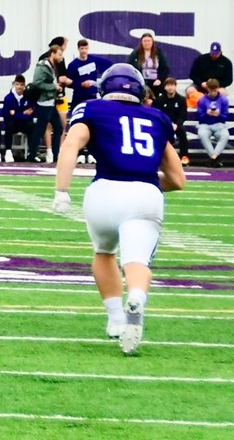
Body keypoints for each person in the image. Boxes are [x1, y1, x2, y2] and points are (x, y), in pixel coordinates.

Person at [51, 62, 184, 355]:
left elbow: (71, 144)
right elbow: (177, 179)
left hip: (104, 193)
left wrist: (62, 190)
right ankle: (136, 296)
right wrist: (144, 182)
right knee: (136, 262)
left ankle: (114, 318)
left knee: (104, 252)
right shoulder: (158, 118)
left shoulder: (92, 109)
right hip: (145, 194)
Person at [28, 39, 67, 163]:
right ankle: (32, 154)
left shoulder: (52, 66)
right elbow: (37, 83)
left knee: (58, 128)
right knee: (40, 129)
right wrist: (53, 87)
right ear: (53, 53)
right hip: (44, 103)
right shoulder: (42, 65)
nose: (61, 57)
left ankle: (56, 155)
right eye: (59, 54)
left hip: (51, 102)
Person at [151, 75, 190, 163]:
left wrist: (177, 124)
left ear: (175, 86)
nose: (170, 87)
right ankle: (156, 156)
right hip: (164, 125)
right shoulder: (160, 100)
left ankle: (184, 156)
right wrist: (167, 124)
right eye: (168, 85)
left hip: (176, 125)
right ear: (165, 87)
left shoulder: (181, 99)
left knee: (182, 132)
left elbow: (183, 116)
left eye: (172, 85)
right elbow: (158, 115)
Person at [193, 79, 232, 164]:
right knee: (202, 134)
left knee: (225, 135)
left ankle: (213, 156)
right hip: (205, 125)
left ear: (218, 88)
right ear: (207, 89)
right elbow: (199, 118)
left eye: (215, 90)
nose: (213, 93)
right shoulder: (202, 100)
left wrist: (219, 115)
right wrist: (207, 113)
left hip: (219, 125)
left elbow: (225, 117)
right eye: (211, 90)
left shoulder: (224, 100)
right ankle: (215, 158)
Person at [3, 74, 38, 162]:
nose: (19, 87)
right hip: (13, 124)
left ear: (24, 85)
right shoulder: (8, 98)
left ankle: (32, 153)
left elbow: (31, 114)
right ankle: (8, 151)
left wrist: (16, 114)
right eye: (17, 84)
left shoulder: (28, 97)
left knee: (32, 126)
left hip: (23, 123)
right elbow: (6, 115)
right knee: (9, 125)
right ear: (14, 84)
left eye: (22, 85)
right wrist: (23, 113)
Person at [64, 39, 101, 104]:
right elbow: (68, 83)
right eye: (82, 48)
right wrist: (81, 85)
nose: (84, 51)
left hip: (92, 97)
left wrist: (99, 70)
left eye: (86, 48)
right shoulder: (73, 65)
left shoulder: (93, 59)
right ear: (78, 49)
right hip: (79, 98)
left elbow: (108, 63)